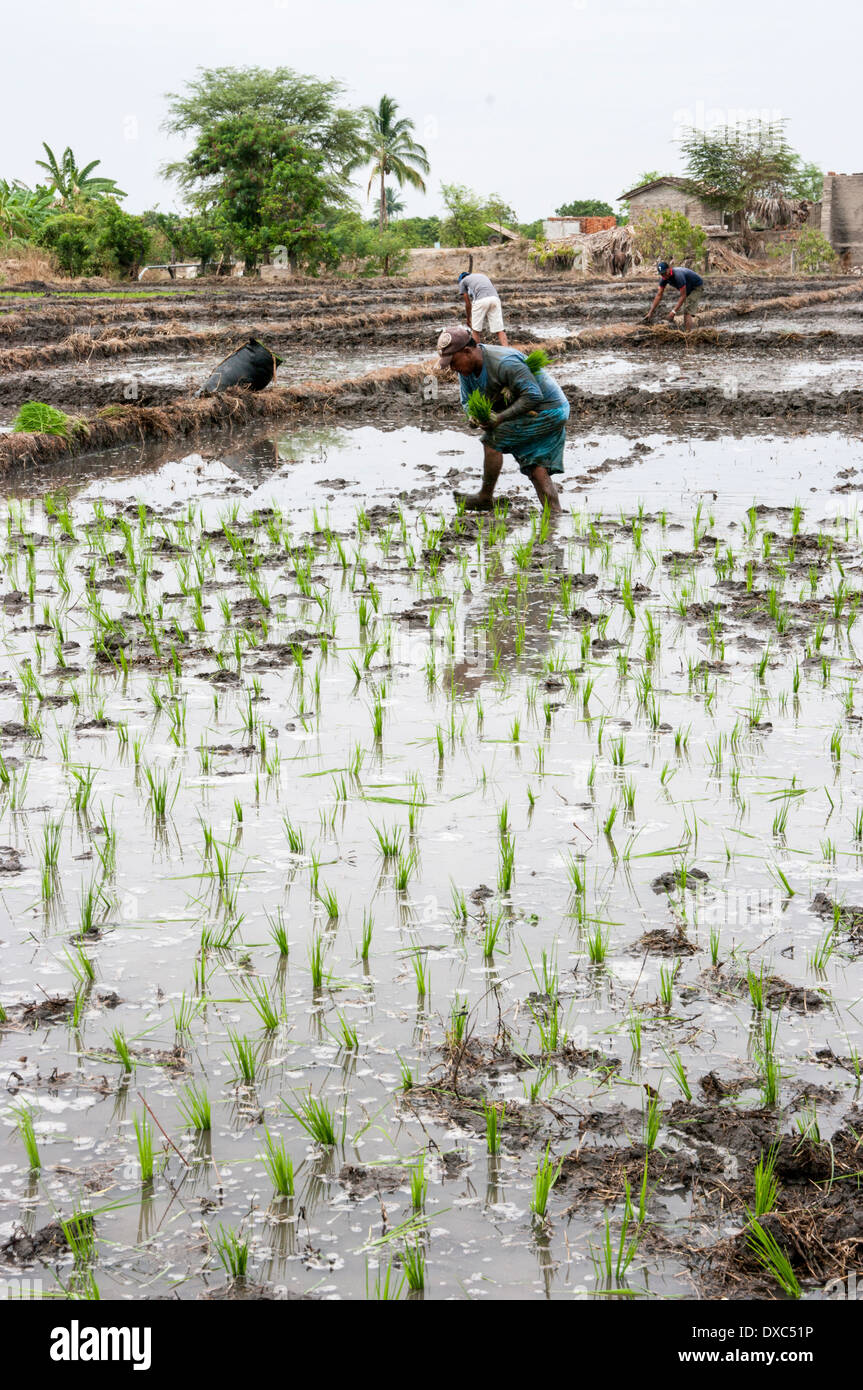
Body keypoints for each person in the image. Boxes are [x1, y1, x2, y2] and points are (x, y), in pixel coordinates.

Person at [436, 326, 569, 514]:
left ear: (467, 351)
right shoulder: (466, 372)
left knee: (493, 439)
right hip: (530, 412)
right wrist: (473, 416)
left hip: (549, 410)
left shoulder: (505, 362)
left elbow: (533, 396)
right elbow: (467, 401)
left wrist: (499, 418)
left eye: (453, 361)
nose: (452, 368)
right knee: (536, 468)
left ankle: (485, 497)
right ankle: (554, 514)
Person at [644, 260, 704, 331]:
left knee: (687, 310)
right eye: (662, 274)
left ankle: (688, 334)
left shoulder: (678, 276)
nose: (664, 276)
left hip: (696, 287)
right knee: (685, 308)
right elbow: (659, 295)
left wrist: (673, 312)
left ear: (669, 269)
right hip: (688, 287)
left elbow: (683, 296)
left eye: (665, 273)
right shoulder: (664, 278)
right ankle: (686, 331)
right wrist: (650, 312)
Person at [457, 270, 508, 345]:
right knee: (500, 330)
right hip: (495, 299)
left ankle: (477, 353)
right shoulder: (481, 276)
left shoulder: (462, 281)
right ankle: (507, 350)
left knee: (475, 330)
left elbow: (468, 303)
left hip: (481, 300)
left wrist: (468, 319)